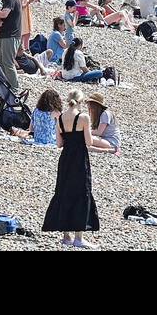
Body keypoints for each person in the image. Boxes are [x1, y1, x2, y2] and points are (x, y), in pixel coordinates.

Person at [42, 89, 101, 248]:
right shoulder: (83, 117)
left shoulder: (60, 118)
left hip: (66, 160)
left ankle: (66, 236)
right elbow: (88, 142)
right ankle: (78, 238)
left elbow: (59, 144)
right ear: (81, 102)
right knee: (81, 193)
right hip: (79, 159)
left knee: (64, 192)